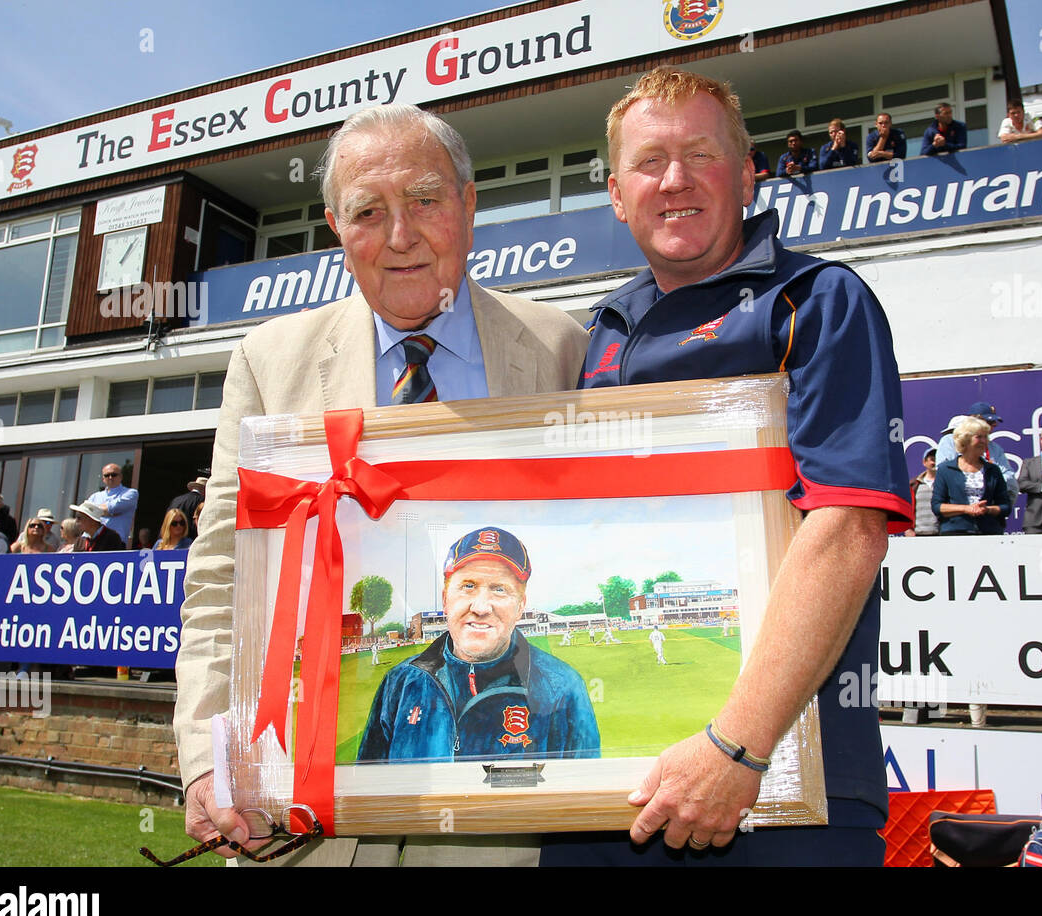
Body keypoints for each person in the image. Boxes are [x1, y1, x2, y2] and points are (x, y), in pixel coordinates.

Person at [174, 103, 588, 867]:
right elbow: (222, 577)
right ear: (336, 225)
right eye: (369, 211)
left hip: (505, 826)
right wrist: (206, 749)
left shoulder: (564, 347)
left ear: (468, 204)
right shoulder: (269, 362)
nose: (399, 236)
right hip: (301, 808)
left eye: (425, 200)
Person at [545, 67, 911, 867]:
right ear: (615, 192)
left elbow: (848, 531)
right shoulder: (598, 333)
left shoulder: (818, 299)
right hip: (611, 794)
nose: (673, 181)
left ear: (748, 173)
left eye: (700, 154)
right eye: (648, 162)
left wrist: (735, 749)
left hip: (788, 781)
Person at [358, 527, 598, 762]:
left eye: (499, 589)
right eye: (468, 586)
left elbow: (587, 792)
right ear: (445, 600)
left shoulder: (563, 688)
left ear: (520, 606)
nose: (481, 607)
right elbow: (365, 791)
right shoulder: (401, 682)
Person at [931, 418, 1010, 535]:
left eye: (985, 437)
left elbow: (1005, 506)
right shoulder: (946, 470)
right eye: (979, 437)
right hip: (955, 533)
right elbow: (937, 507)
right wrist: (966, 509)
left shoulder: (993, 470)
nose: (984, 441)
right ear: (965, 440)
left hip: (989, 533)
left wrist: (987, 510)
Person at [936, 402, 1017, 509]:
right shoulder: (949, 441)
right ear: (973, 421)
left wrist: (989, 485)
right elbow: (944, 476)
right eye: (989, 421)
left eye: (994, 422)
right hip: (958, 510)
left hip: (988, 509)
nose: (994, 425)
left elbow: (1009, 478)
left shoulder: (994, 448)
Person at [88, 463, 137, 548]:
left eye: (113, 475)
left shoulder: (131, 493)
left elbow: (113, 507)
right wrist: (110, 512)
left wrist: (96, 511)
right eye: (107, 475)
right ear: (103, 478)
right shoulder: (94, 496)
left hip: (116, 543)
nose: (110, 477)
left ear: (120, 477)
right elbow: (86, 515)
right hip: (92, 542)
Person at [904, 447, 939, 536]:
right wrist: (908, 529)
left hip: (940, 534)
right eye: (932, 459)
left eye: (937, 459)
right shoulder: (914, 484)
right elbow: (907, 508)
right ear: (924, 462)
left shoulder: (944, 484)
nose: (934, 463)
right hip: (918, 534)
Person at [168, 476, 207, 540]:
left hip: (171, 539)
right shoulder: (203, 501)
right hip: (191, 541)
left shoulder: (177, 499)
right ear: (205, 489)